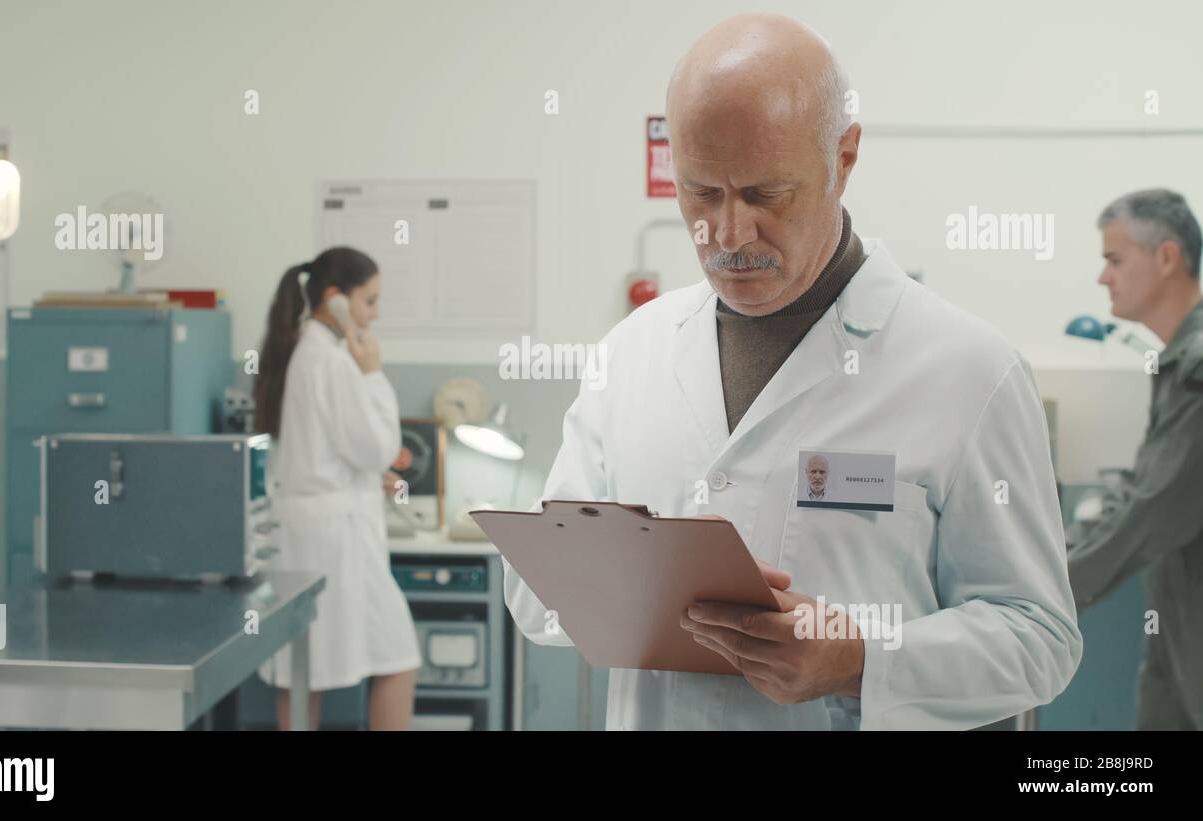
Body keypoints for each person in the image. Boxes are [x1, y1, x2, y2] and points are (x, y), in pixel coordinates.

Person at [503, 13, 1081, 730]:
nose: (729, 233)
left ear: (844, 158)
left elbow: (1040, 639)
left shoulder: (969, 370)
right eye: (701, 193)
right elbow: (536, 598)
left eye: (766, 195)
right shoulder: (631, 353)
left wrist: (862, 657)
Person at [254, 246, 420, 730]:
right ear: (336, 298)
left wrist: (368, 477)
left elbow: (325, 450)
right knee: (397, 657)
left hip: (309, 533)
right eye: (369, 300)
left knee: (302, 672)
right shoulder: (334, 361)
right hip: (336, 542)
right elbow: (378, 446)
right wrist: (373, 373)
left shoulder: (301, 352)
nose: (376, 313)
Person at [1067, 188, 1203, 730]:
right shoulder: (1177, 360)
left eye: (1115, 260)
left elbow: (1153, 507)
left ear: (1167, 258)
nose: (1104, 278)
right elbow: (1144, 482)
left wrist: (1045, 587)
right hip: (1176, 608)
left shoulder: (1196, 363)